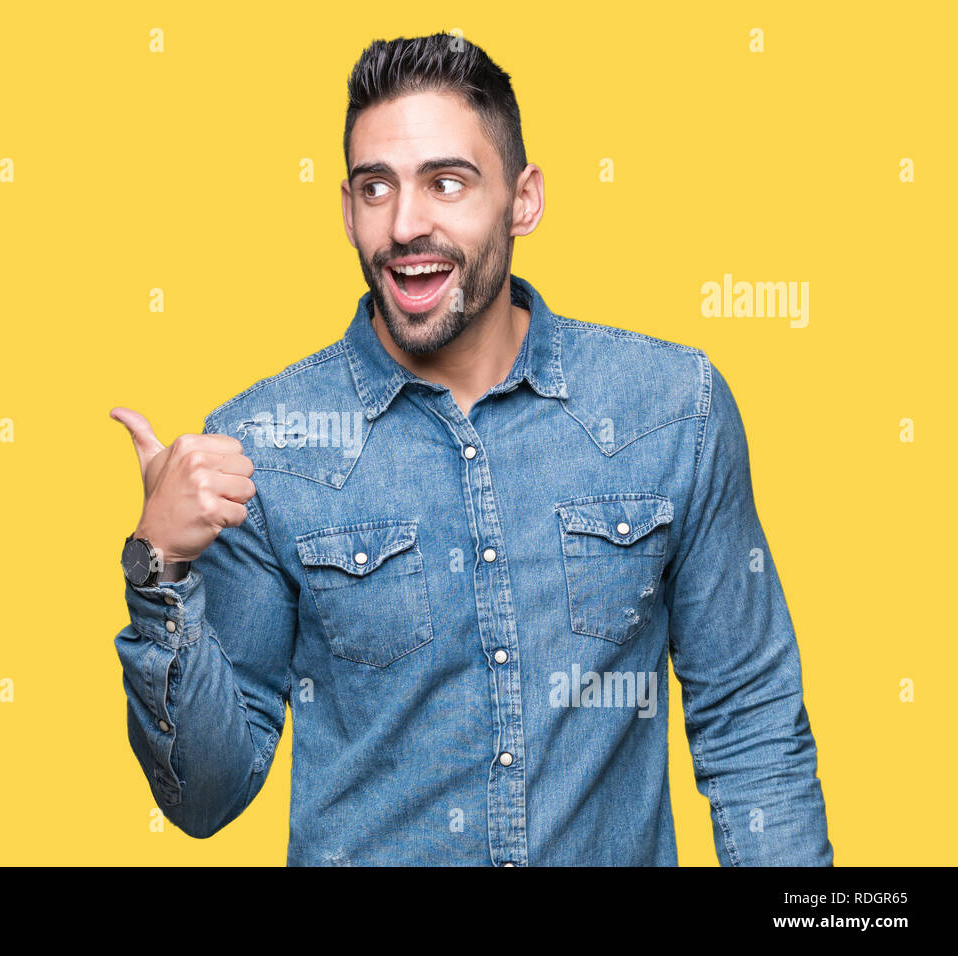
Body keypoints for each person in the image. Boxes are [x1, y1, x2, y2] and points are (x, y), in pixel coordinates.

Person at [111, 33, 832, 866]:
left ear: (523, 199)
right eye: (376, 188)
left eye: (446, 182)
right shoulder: (261, 445)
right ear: (347, 208)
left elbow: (753, 726)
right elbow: (206, 796)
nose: (406, 224)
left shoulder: (674, 407)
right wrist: (158, 568)